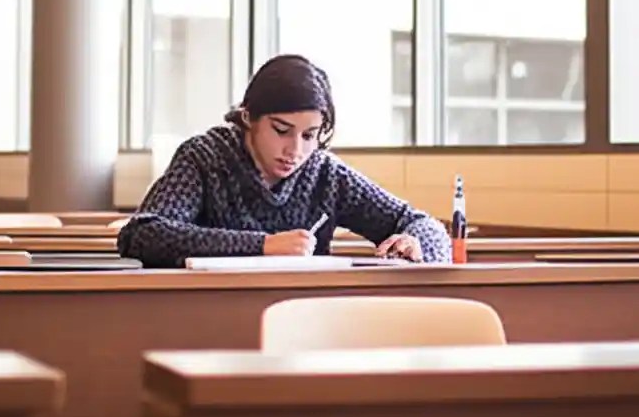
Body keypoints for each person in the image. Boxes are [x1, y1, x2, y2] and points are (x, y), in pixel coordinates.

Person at [117, 54, 452, 268]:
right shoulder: (204, 157)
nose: (295, 150)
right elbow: (143, 235)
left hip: (307, 322)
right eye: (281, 130)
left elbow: (424, 223)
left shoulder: (326, 174)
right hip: (207, 316)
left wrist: (415, 243)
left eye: (310, 136)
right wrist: (263, 245)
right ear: (249, 117)